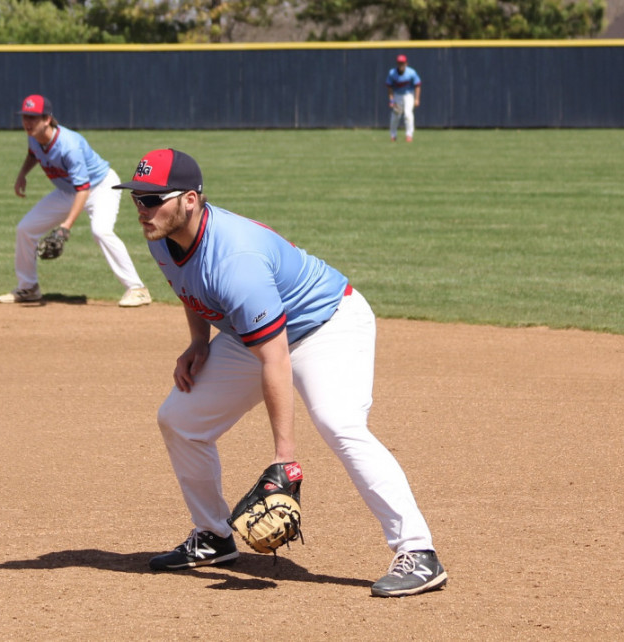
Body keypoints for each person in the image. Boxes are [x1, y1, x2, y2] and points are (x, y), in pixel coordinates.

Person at [113, 148, 448, 598]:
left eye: (153, 199)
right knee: (180, 419)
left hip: (327, 324)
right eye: (137, 198)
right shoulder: (161, 233)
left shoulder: (237, 261)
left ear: (190, 200)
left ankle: (419, 552)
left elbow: (275, 359)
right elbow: (188, 286)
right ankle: (214, 536)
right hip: (252, 332)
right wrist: (198, 342)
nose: (142, 209)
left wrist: (284, 459)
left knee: (338, 423)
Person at [0, 94, 151, 307]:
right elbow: (33, 153)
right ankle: (28, 288)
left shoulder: (69, 146)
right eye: (25, 117)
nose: (27, 122)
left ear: (47, 119)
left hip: (100, 187)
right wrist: (22, 174)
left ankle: (137, 289)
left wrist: (65, 227)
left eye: (33, 117)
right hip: (68, 191)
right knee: (26, 228)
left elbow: (83, 189)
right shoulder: (34, 136)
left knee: (101, 230)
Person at [386, 54, 422, 143]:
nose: (401, 65)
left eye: (402, 63)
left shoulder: (411, 73)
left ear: (406, 63)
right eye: (399, 63)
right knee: (395, 115)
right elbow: (389, 87)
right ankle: (393, 135)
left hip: (408, 95)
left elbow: (417, 85)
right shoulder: (392, 73)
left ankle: (409, 135)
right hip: (397, 95)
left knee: (408, 114)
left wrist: (417, 99)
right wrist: (391, 100)